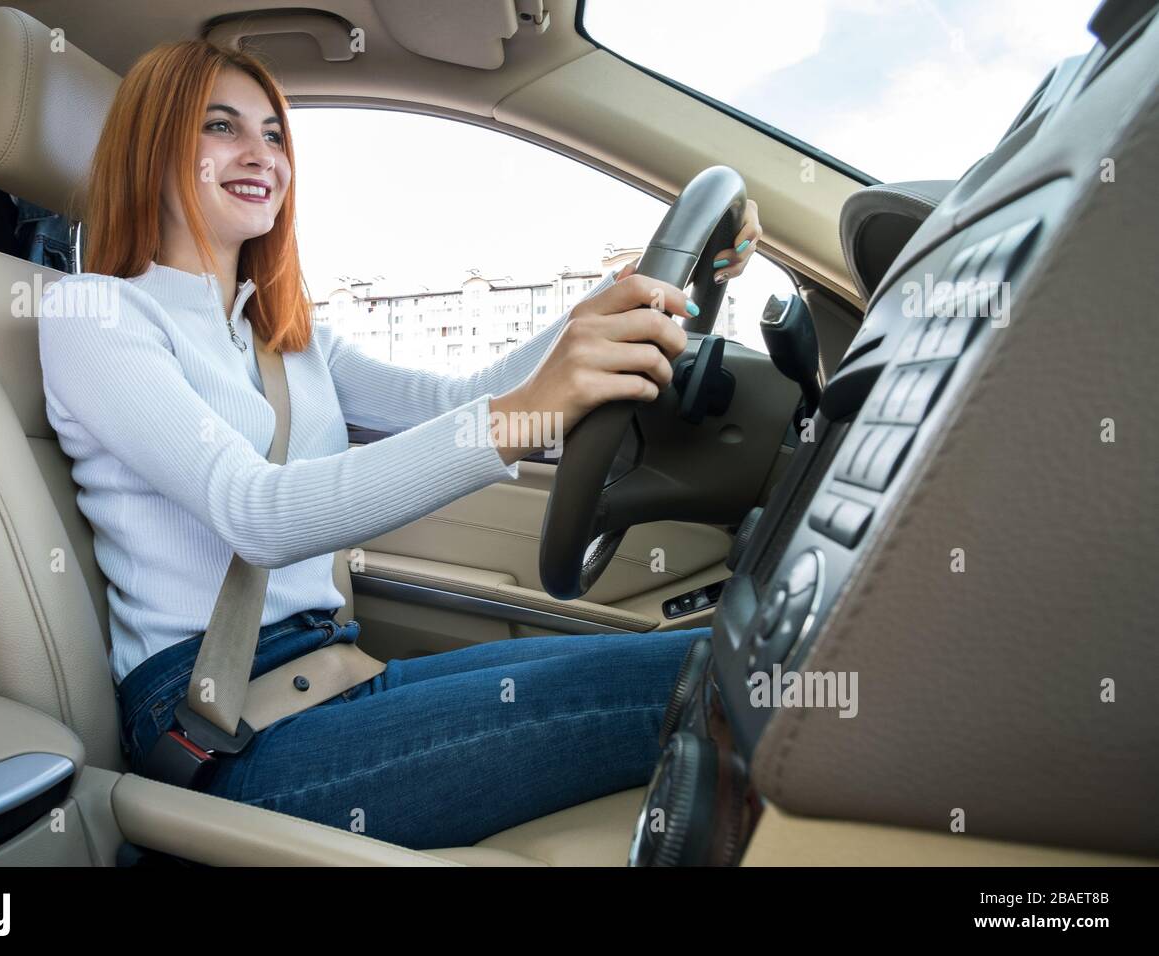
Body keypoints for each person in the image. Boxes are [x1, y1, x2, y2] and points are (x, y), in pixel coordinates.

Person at [37, 39, 763, 850]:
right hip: (227, 733)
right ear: (155, 147)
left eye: (275, 135)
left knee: (714, 651)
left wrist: (628, 289)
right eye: (221, 128)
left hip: (341, 677)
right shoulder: (93, 314)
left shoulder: (287, 338)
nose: (261, 155)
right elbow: (257, 513)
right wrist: (525, 411)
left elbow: (453, 401)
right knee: (724, 680)